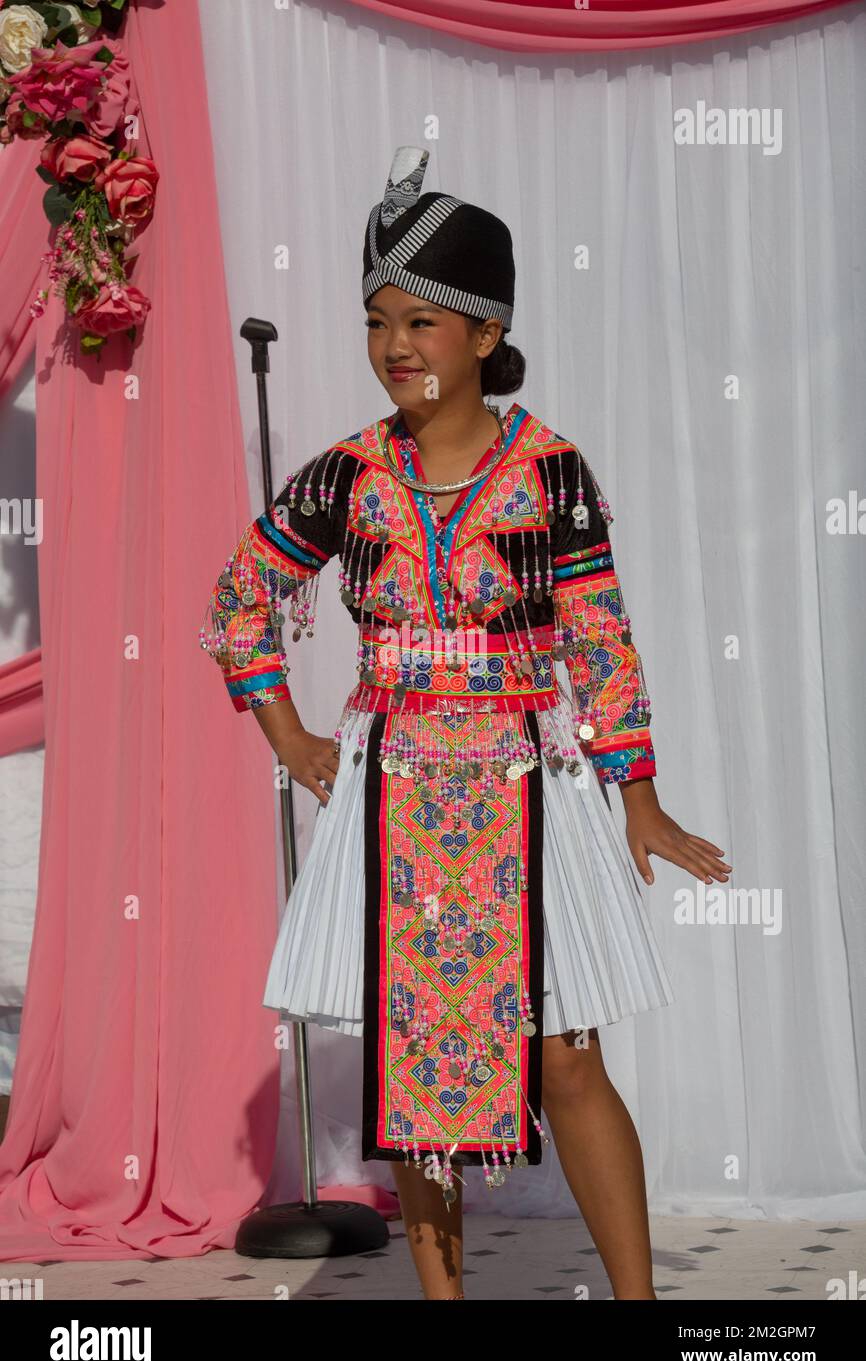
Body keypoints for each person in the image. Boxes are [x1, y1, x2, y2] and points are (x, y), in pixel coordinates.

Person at [199, 146, 732, 1301]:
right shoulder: (344, 477)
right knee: (417, 1067)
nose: (396, 346)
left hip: (527, 792)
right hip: (392, 796)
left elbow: (599, 640)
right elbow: (240, 597)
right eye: (377, 321)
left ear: (485, 335)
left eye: (424, 323)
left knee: (565, 1060)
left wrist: (637, 794)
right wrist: (289, 739)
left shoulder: (550, 475)